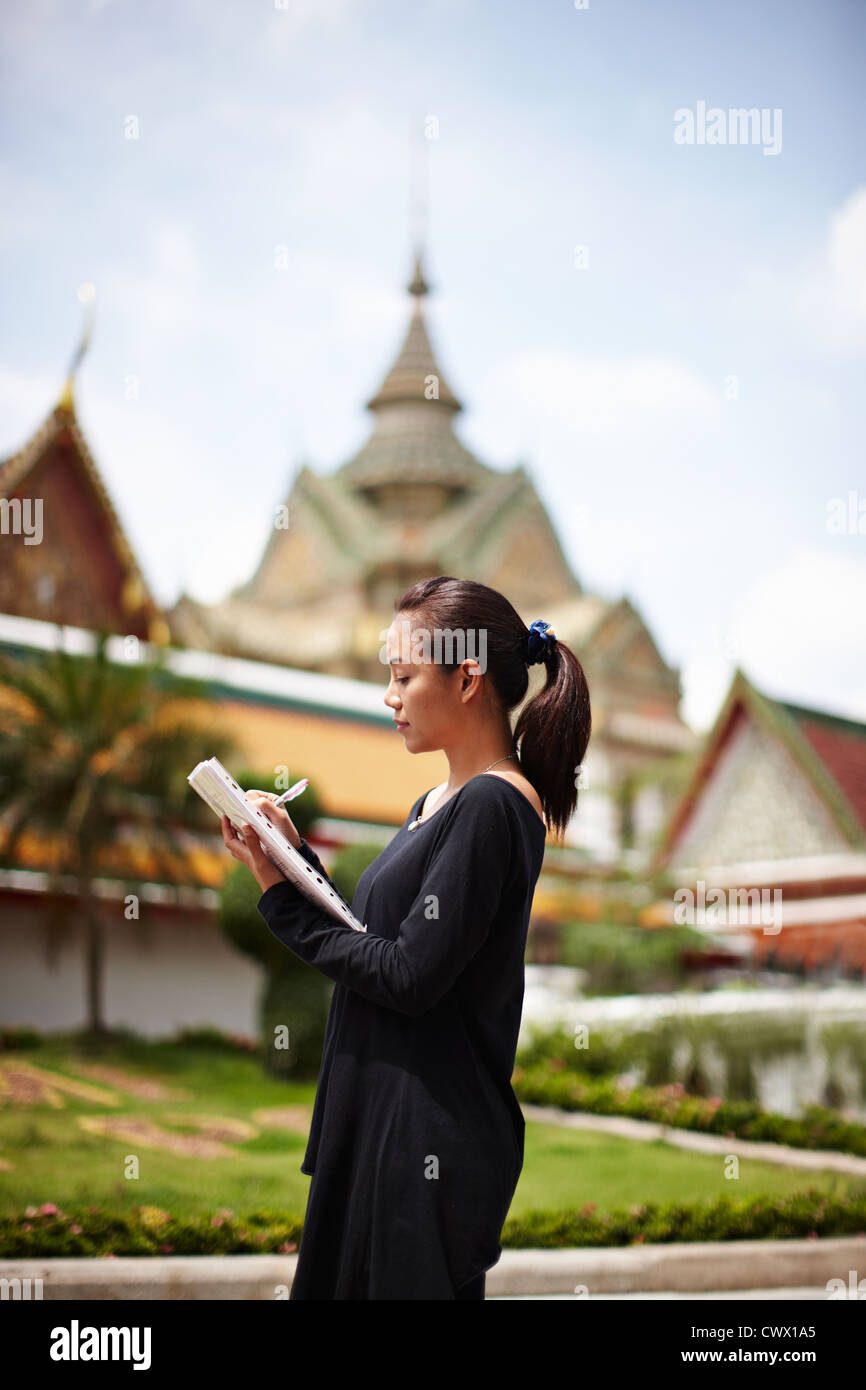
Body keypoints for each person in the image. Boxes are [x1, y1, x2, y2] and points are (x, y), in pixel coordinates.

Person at [220, 576, 591, 1299]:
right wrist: (289, 860)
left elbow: (410, 975)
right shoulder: (436, 802)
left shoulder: (493, 804)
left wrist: (280, 904)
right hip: (377, 1123)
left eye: (402, 676)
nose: (389, 696)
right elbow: (380, 937)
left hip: (425, 1143)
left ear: (465, 678)